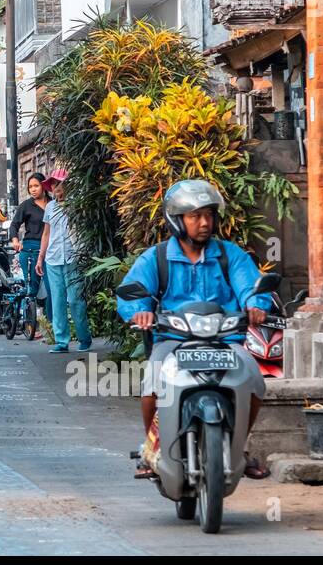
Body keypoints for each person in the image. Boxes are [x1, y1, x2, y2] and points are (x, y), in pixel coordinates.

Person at [116, 179, 273, 480]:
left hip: (225, 341)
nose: (204, 223)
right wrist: (141, 312)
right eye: (195, 216)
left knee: (254, 381)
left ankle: (239, 447)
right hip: (173, 341)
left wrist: (256, 303)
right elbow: (132, 292)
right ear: (177, 220)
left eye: (208, 215)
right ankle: (152, 449)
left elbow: (250, 285)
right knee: (151, 385)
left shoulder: (229, 255)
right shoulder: (157, 257)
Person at [37, 168, 91, 353]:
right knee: (58, 301)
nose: (56, 190)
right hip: (53, 259)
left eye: (59, 186)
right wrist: (40, 257)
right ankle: (62, 341)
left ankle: (84, 337)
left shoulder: (77, 205)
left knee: (76, 300)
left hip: (73, 256)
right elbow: (46, 233)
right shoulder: (50, 207)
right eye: (53, 187)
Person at [9, 173, 50, 332]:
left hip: (49, 250)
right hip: (29, 248)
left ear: (44, 186)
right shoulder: (26, 205)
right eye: (30, 187)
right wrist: (15, 241)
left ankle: (49, 324)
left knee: (49, 288)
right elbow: (14, 225)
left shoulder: (53, 204)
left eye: (36, 186)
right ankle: (28, 322)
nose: (33, 189)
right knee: (30, 288)